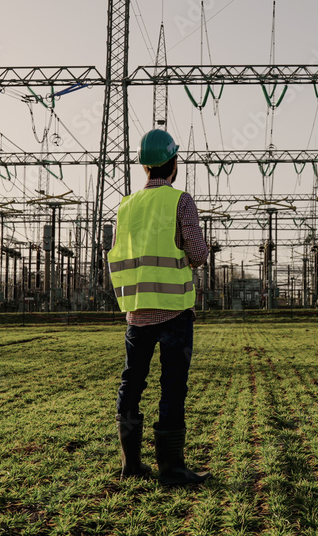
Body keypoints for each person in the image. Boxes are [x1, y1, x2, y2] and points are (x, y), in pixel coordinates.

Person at [106, 129, 211, 486]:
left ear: (145, 167)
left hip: (136, 312)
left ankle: (130, 465)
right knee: (172, 387)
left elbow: (118, 255)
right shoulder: (181, 201)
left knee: (131, 385)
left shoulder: (125, 205)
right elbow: (197, 254)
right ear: (174, 163)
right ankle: (171, 469)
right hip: (173, 313)